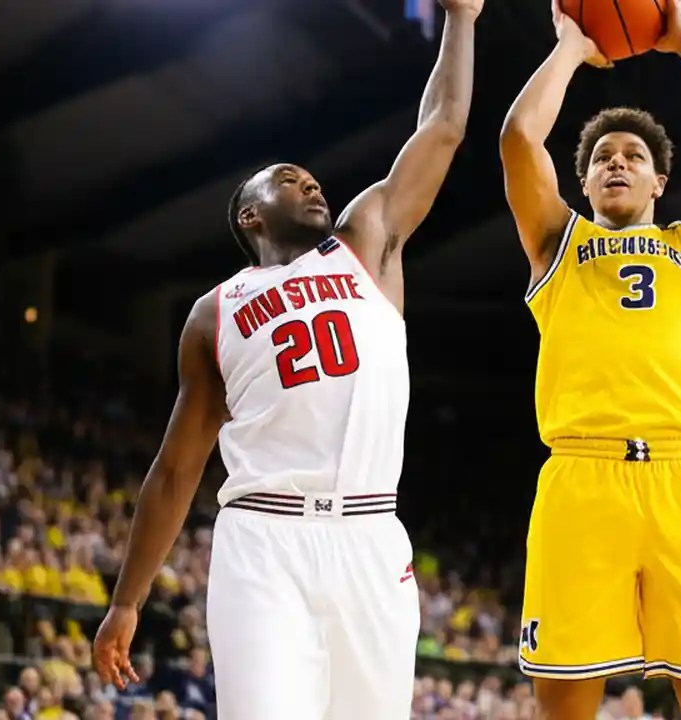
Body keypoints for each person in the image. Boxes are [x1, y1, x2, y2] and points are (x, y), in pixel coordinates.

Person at [90, 1, 482, 717]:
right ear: (251, 215)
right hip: (263, 542)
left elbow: (444, 127)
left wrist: (462, 17)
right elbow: (178, 468)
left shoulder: (366, 241)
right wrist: (126, 599)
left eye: (314, 181)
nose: (313, 186)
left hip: (369, 534)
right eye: (290, 180)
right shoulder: (216, 311)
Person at [498, 0, 681, 716]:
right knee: (565, 705)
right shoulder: (553, 243)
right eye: (601, 159)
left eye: (634, 157)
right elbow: (517, 139)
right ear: (586, 184)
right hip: (581, 478)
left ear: (660, 183)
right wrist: (569, 45)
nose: (616, 162)